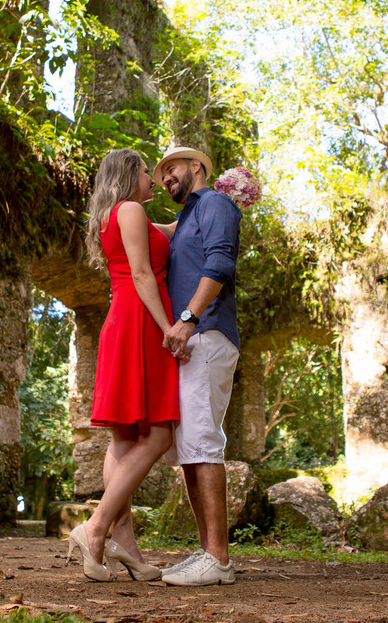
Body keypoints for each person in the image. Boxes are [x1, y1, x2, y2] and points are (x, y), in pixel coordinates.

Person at [67, 148, 186, 582]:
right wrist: (169, 328)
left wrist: (213, 197)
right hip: (141, 321)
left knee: (123, 438)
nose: (153, 179)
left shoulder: (114, 215)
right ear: (129, 173)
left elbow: (172, 229)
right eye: (147, 171)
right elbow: (141, 274)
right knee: (158, 434)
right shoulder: (131, 210)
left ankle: (122, 544)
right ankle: (96, 526)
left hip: (122, 320)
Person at [153, 145, 243, 587]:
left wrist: (188, 318)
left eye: (171, 168)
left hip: (207, 333)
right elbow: (152, 229)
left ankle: (219, 558)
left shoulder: (215, 203)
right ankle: (208, 550)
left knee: (203, 441)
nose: (166, 178)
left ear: (196, 166)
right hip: (190, 340)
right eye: (160, 174)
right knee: (190, 446)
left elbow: (221, 261)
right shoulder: (187, 216)